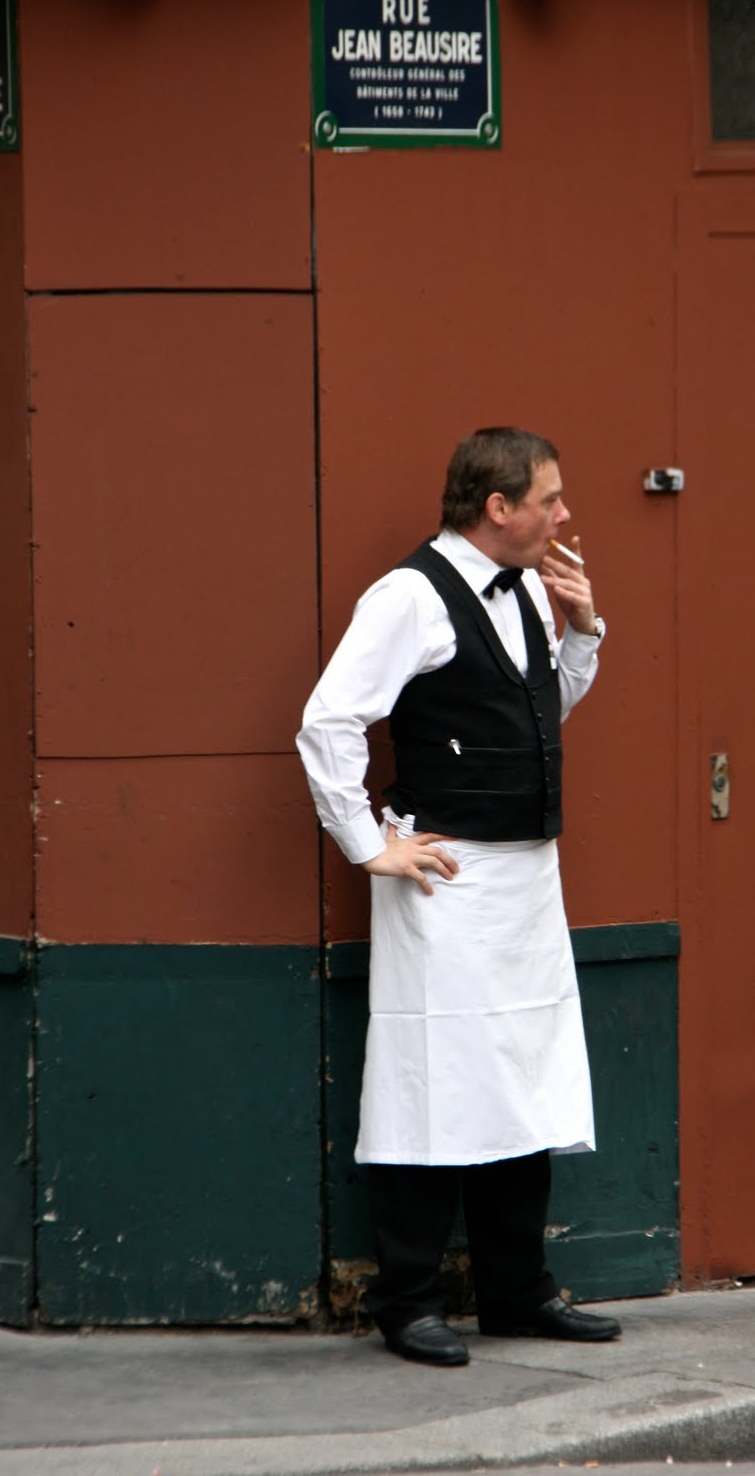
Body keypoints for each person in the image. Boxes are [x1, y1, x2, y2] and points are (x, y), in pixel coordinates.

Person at [297, 427, 620, 1366]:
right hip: (446, 879)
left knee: (522, 1077)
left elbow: (529, 718)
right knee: (427, 1083)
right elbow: (327, 721)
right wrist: (370, 845)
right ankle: (408, 1303)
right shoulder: (408, 597)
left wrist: (584, 629)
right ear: (498, 509)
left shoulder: (526, 588)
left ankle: (518, 1293)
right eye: (550, 500)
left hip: (525, 876)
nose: (563, 516)